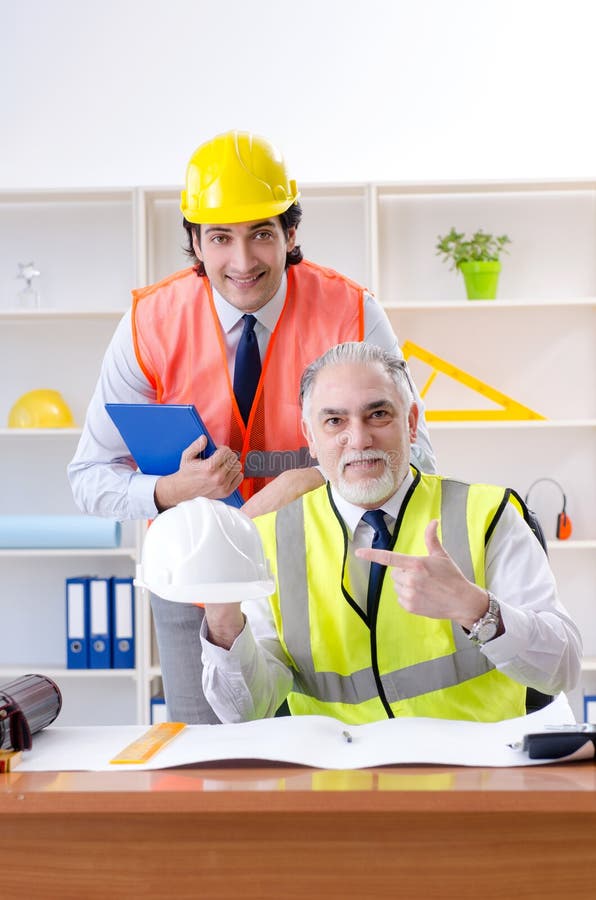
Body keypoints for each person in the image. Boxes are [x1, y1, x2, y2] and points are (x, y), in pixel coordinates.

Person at [67, 130, 436, 723]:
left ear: (291, 233)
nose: (243, 262)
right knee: (213, 771)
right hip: (198, 580)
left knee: (323, 763)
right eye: (221, 238)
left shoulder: (351, 310)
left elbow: (420, 455)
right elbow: (88, 477)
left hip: (326, 569)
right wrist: (169, 491)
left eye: (262, 233)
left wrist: (309, 482)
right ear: (195, 241)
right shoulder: (149, 322)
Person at [200, 342, 581, 724]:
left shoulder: (486, 515)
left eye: (378, 414)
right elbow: (246, 711)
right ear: (310, 437)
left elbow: (562, 670)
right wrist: (222, 619)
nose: (360, 439)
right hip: (336, 776)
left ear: (411, 423)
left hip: (475, 771)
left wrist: (477, 609)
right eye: (334, 422)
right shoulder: (267, 541)